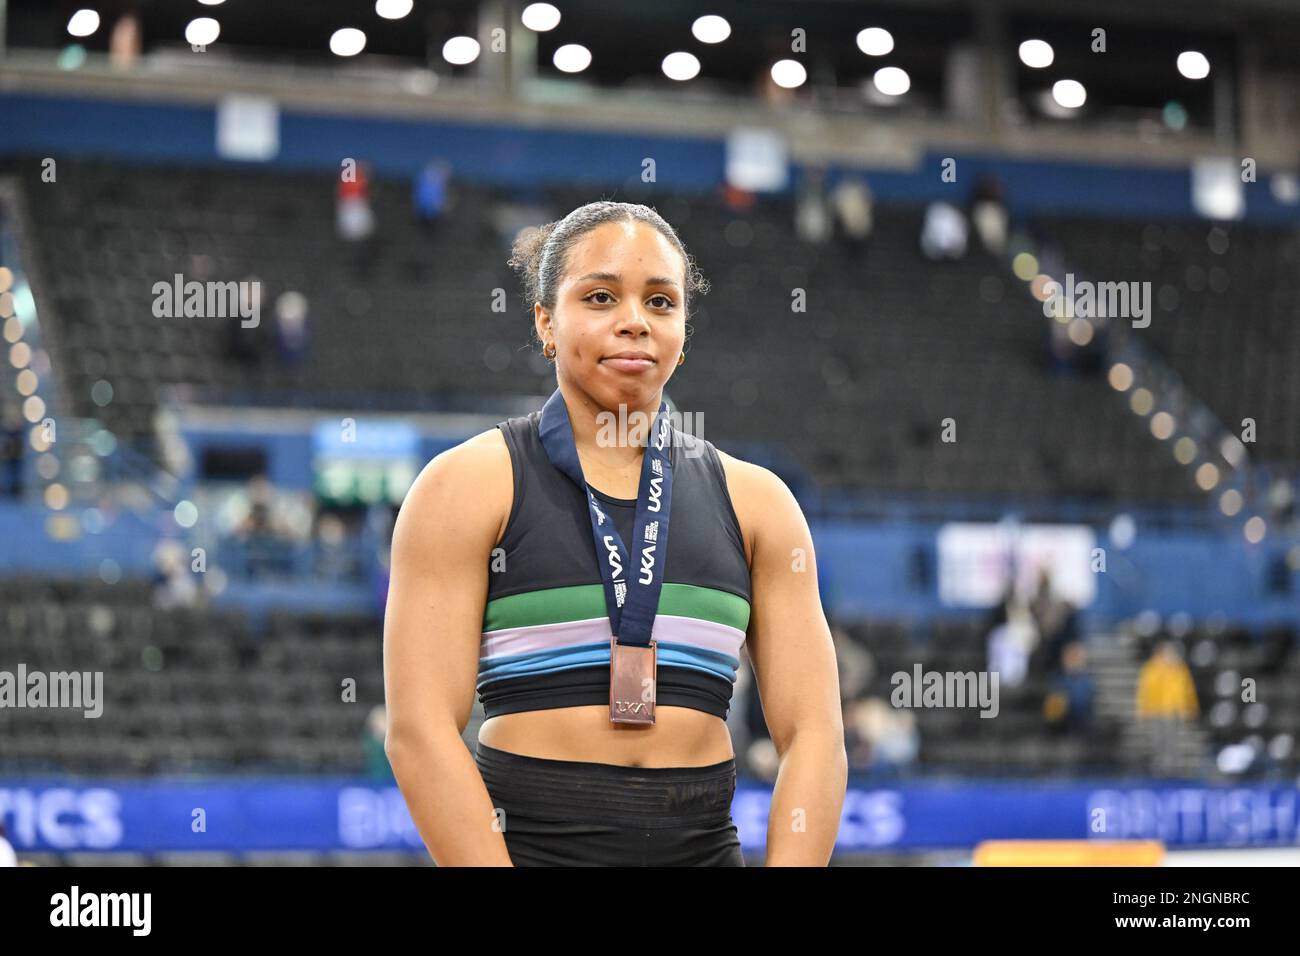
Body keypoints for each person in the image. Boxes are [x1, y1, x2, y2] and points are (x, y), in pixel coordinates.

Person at [383, 201, 846, 866]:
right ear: (545, 320)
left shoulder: (759, 505)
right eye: (600, 296)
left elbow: (815, 734)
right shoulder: (465, 488)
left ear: (684, 331)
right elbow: (419, 730)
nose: (634, 320)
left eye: (661, 302)